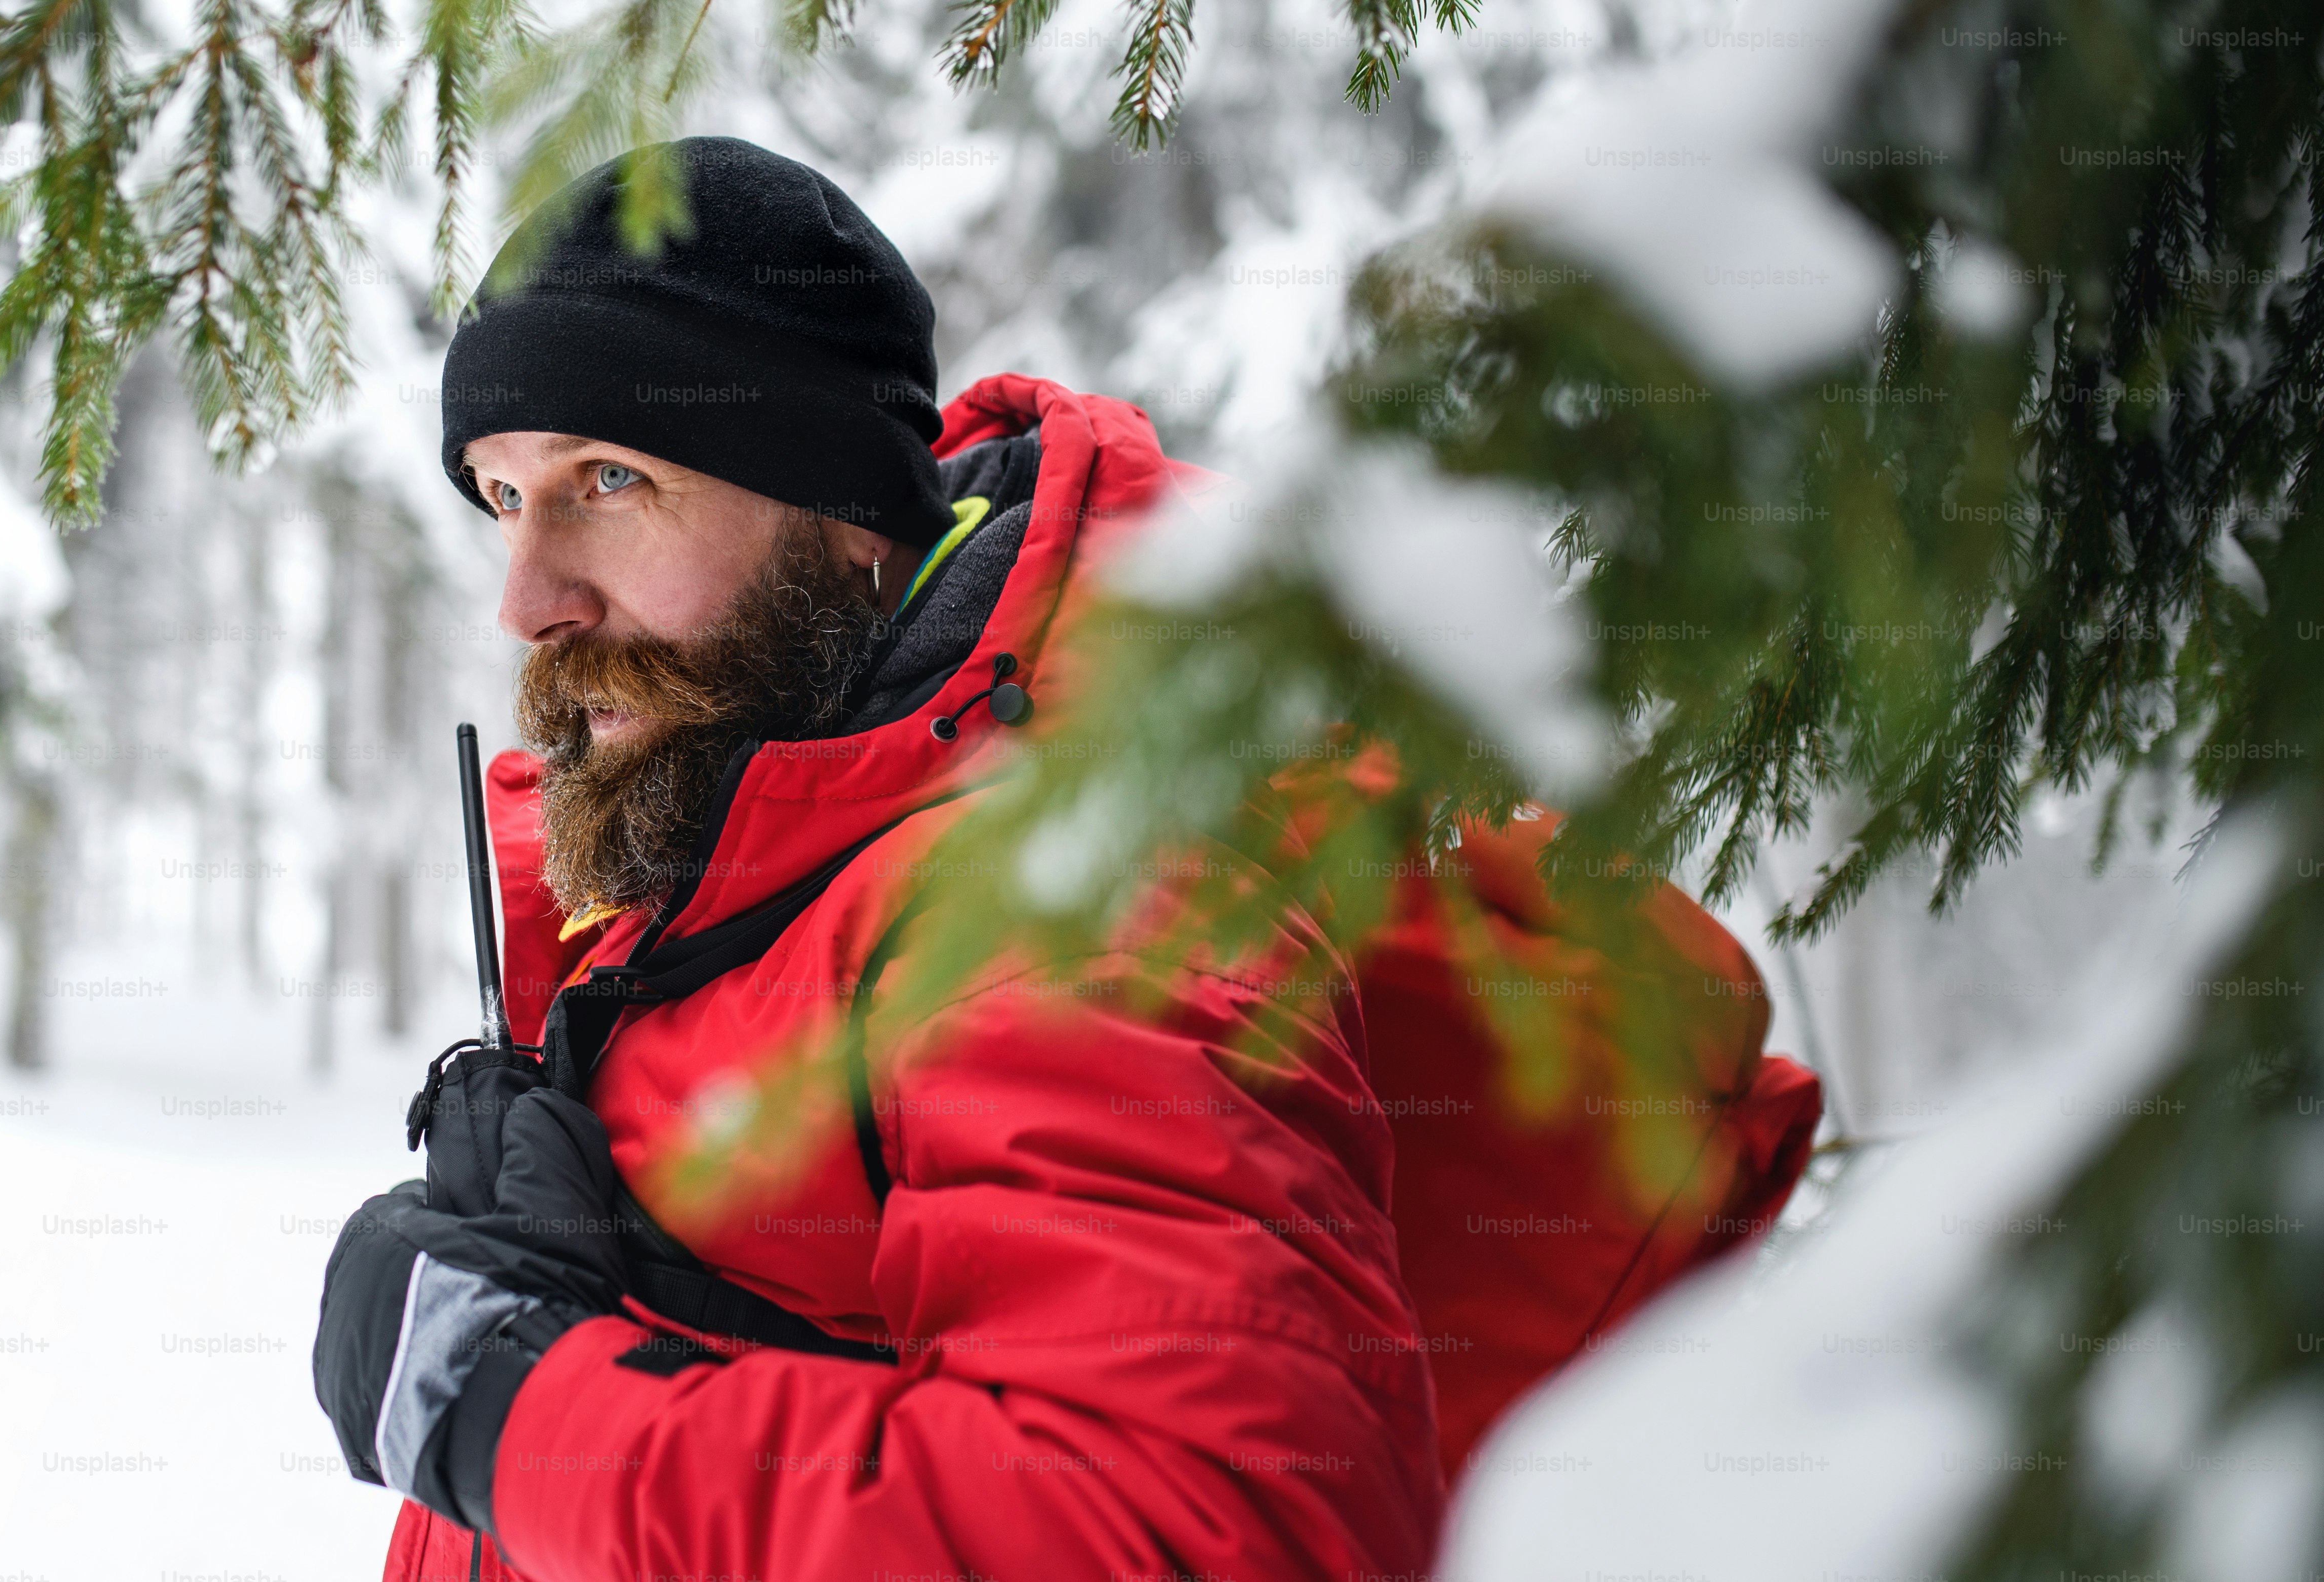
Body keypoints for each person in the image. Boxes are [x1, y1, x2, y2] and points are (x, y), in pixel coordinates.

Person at [311, 135, 1822, 1582]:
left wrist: (518, 1408)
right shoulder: (756, 854)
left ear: (844, 517)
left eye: (608, 480)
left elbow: (1199, 1530)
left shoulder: (1075, 902)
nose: (527, 597)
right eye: (504, 494)